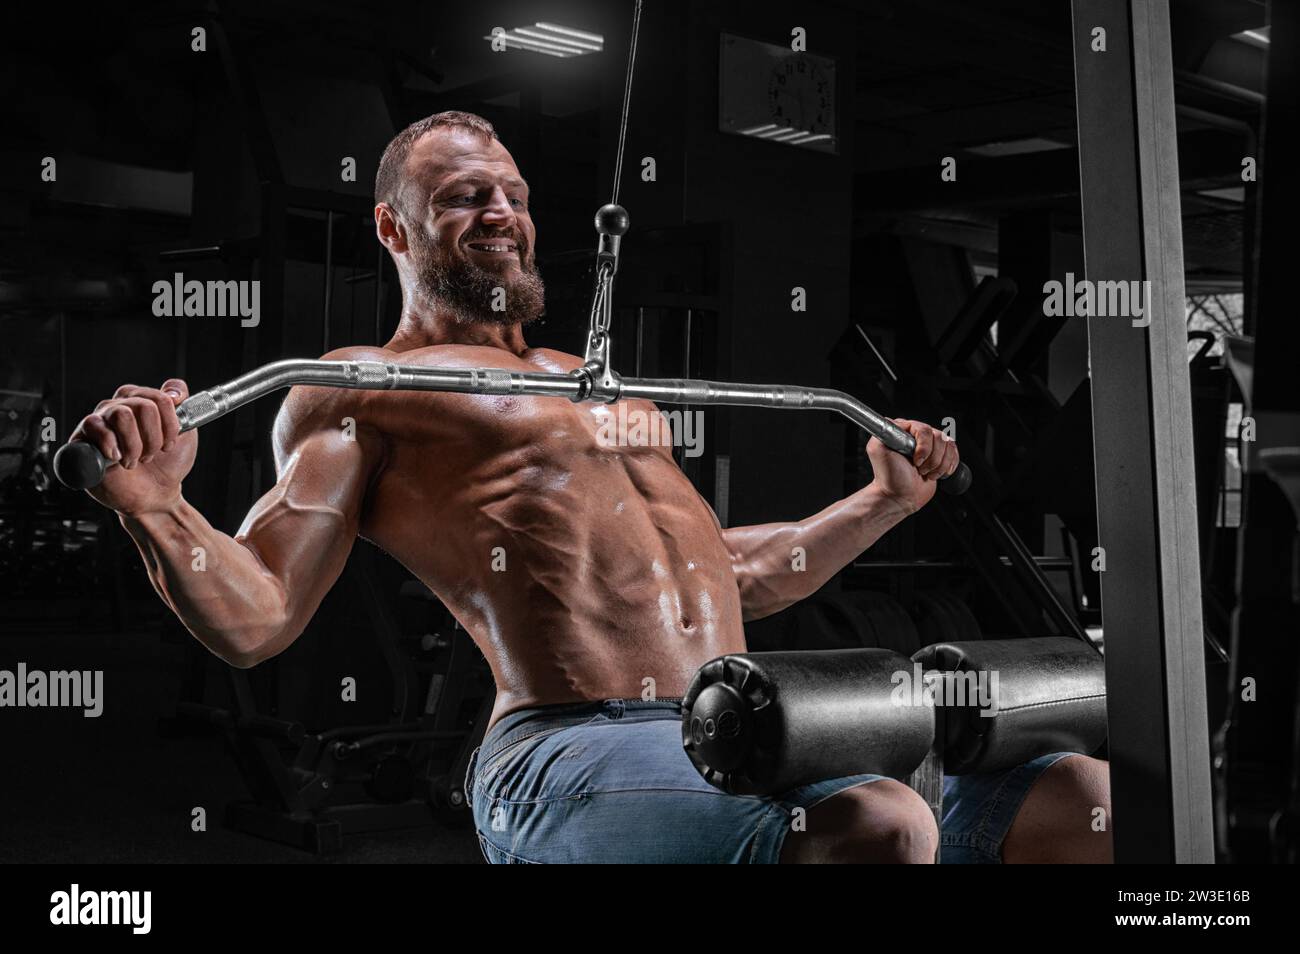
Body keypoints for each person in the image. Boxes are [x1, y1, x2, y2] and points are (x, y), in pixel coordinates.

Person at [69, 111, 1111, 863]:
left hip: (737, 719)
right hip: (568, 750)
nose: (499, 212)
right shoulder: (361, 391)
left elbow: (737, 574)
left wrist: (880, 501)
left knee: (1076, 798)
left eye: (513, 195)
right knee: (878, 824)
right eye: (462, 196)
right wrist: (159, 508)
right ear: (393, 230)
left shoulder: (597, 385)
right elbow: (258, 620)